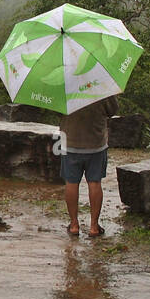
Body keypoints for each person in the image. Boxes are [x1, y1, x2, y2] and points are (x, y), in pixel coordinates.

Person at [59, 95, 119, 237]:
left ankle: (74, 225)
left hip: (70, 143)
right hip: (96, 144)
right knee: (95, 182)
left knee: (71, 182)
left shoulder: (64, 82)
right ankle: (93, 227)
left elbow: (57, 110)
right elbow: (112, 110)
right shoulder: (101, 85)